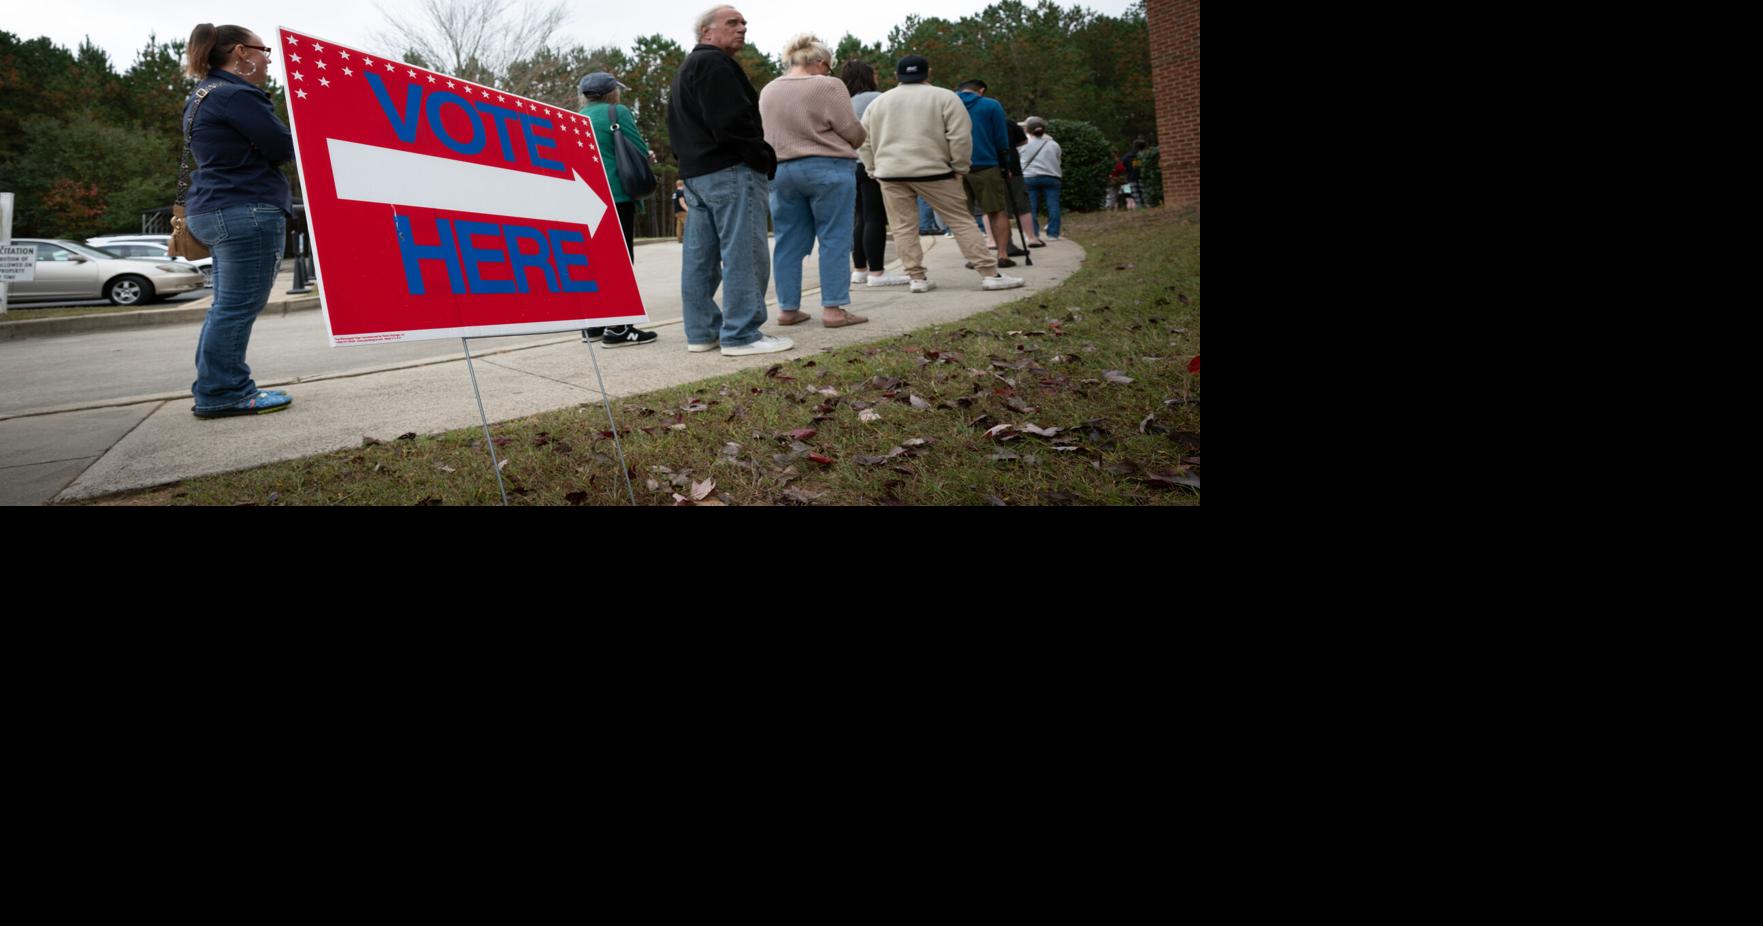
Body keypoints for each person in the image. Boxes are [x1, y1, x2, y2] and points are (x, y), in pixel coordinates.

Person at [180, 23, 295, 419]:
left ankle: (215, 387)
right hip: (245, 208)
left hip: (214, 207)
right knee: (237, 306)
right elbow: (282, 147)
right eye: (263, 51)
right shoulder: (236, 95)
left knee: (227, 306)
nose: (267, 60)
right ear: (241, 52)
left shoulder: (202, 94)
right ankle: (224, 392)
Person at [668, 6, 791, 356]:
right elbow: (731, 123)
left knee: (700, 258)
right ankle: (741, 335)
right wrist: (762, 156)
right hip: (729, 171)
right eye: (732, 23)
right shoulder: (714, 64)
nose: (742, 28)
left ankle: (702, 332)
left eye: (744, 23)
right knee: (744, 253)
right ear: (706, 32)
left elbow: (679, 127)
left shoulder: (687, 68)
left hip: (697, 175)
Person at [857, 55, 1022, 294]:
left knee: (903, 227)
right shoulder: (945, 97)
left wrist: (873, 169)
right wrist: (960, 167)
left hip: (891, 173)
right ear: (929, 72)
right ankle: (990, 274)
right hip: (935, 171)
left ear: (896, 76)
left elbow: (864, 140)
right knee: (961, 222)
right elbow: (960, 136)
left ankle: (916, 278)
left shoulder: (879, 102)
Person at [758, 34, 869, 329]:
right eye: (829, 66)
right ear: (819, 62)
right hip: (827, 167)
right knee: (834, 237)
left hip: (781, 171)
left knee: (787, 241)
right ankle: (833, 309)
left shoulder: (769, 89)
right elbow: (852, 130)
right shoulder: (828, 85)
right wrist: (859, 138)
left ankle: (788, 309)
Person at [577, 71, 659, 347]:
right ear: (612, 92)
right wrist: (648, 157)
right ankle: (620, 328)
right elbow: (638, 148)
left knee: (598, 261)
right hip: (617, 195)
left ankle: (594, 325)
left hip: (588, 197)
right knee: (621, 261)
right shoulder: (617, 112)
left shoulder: (577, 117)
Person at [843, 59, 909, 290]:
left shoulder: (843, 101)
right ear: (868, 76)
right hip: (872, 162)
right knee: (875, 217)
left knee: (859, 217)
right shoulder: (879, 98)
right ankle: (877, 272)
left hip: (849, 165)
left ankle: (859, 269)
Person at [955, 79, 1024, 266]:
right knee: (997, 210)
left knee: (964, 216)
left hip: (956, 167)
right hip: (986, 164)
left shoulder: (947, 103)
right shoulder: (991, 105)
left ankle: (974, 257)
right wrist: (1005, 164)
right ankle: (1002, 255)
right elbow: (1001, 138)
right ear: (981, 90)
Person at [1019, 116, 1063, 240]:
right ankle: (1053, 234)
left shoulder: (1023, 145)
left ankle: (1033, 234)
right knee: (1053, 205)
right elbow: (1058, 160)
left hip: (1029, 177)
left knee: (1030, 207)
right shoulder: (1054, 144)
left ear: (1028, 130)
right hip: (1052, 177)